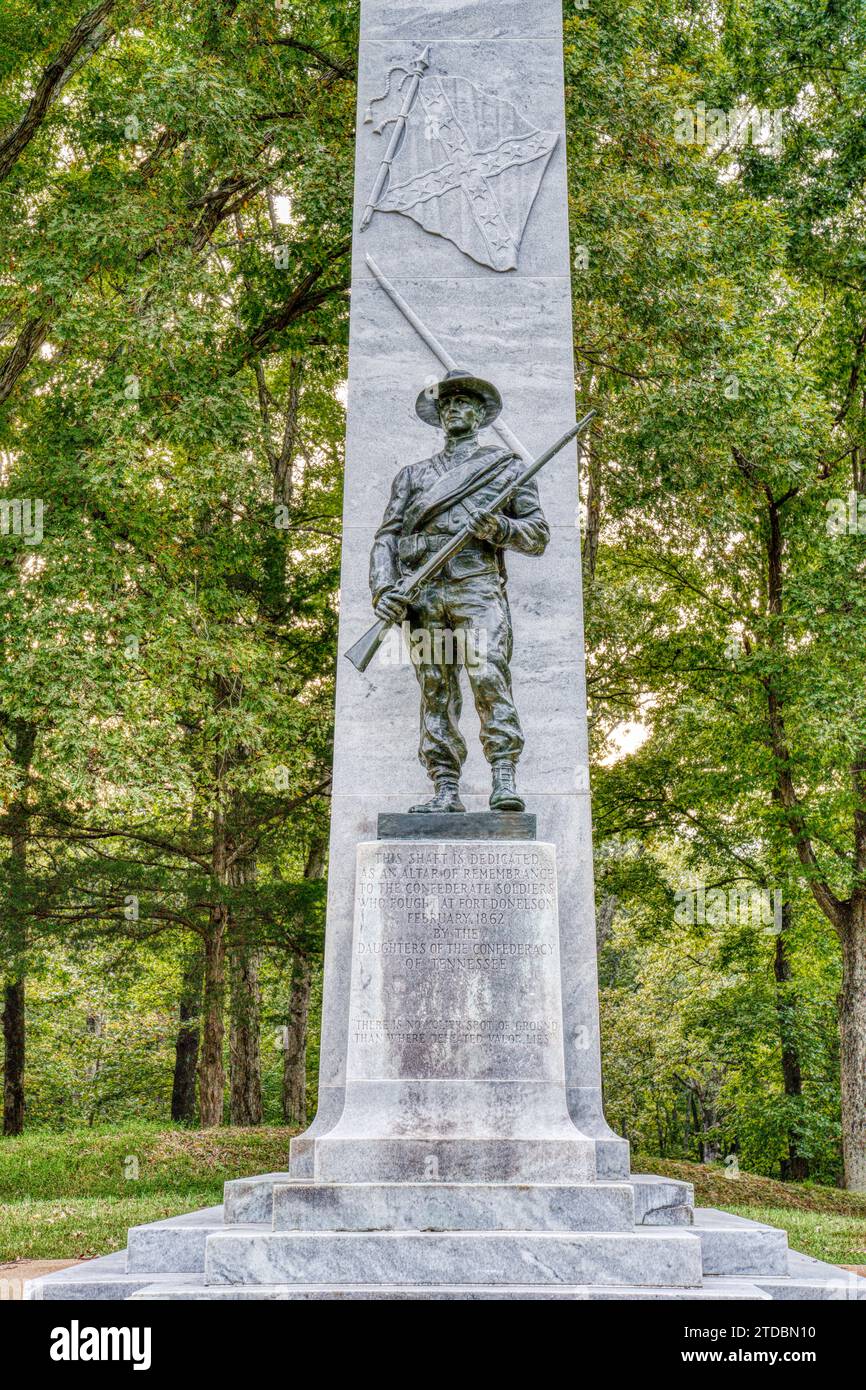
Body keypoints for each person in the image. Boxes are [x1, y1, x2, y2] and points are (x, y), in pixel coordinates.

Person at [369, 369, 549, 812]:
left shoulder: (506, 469)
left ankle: (503, 777)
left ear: (481, 414)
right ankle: (445, 788)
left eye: (464, 403)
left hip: (477, 588)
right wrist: (383, 588)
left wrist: (499, 527)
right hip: (423, 593)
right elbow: (386, 537)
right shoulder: (413, 476)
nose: (453, 409)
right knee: (436, 689)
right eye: (446, 404)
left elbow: (538, 534)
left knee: (488, 677)